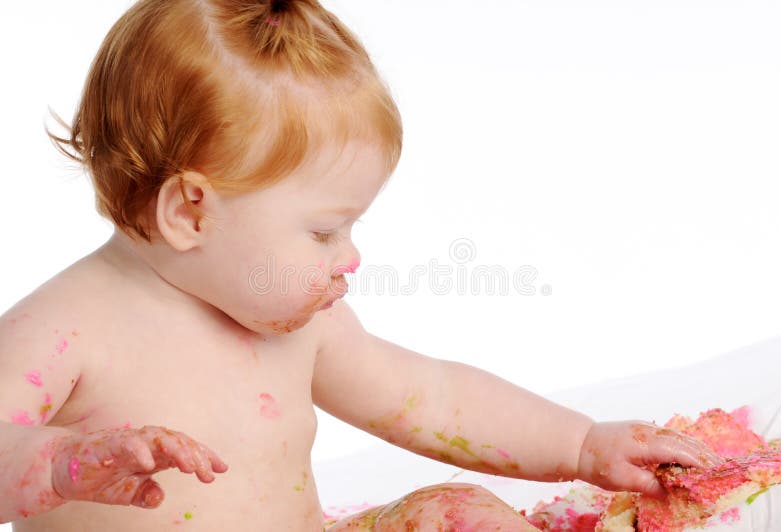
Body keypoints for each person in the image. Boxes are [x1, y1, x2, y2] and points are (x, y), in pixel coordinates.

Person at [0, 1, 724, 529]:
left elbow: (430, 397)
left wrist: (581, 445)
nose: (349, 256)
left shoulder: (296, 323)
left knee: (459, 514)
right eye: (323, 232)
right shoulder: (65, 332)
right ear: (191, 211)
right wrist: (64, 464)